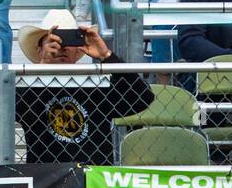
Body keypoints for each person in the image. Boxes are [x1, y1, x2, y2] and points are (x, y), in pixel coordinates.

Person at [15, 9, 154, 164]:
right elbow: (12, 109)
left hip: (94, 177)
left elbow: (143, 98)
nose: (62, 47)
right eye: (54, 40)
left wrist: (107, 56)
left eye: (68, 40)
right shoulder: (27, 84)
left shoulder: (96, 84)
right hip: (46, 174)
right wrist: (42, 67)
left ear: (78, 47)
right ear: (40, 49)